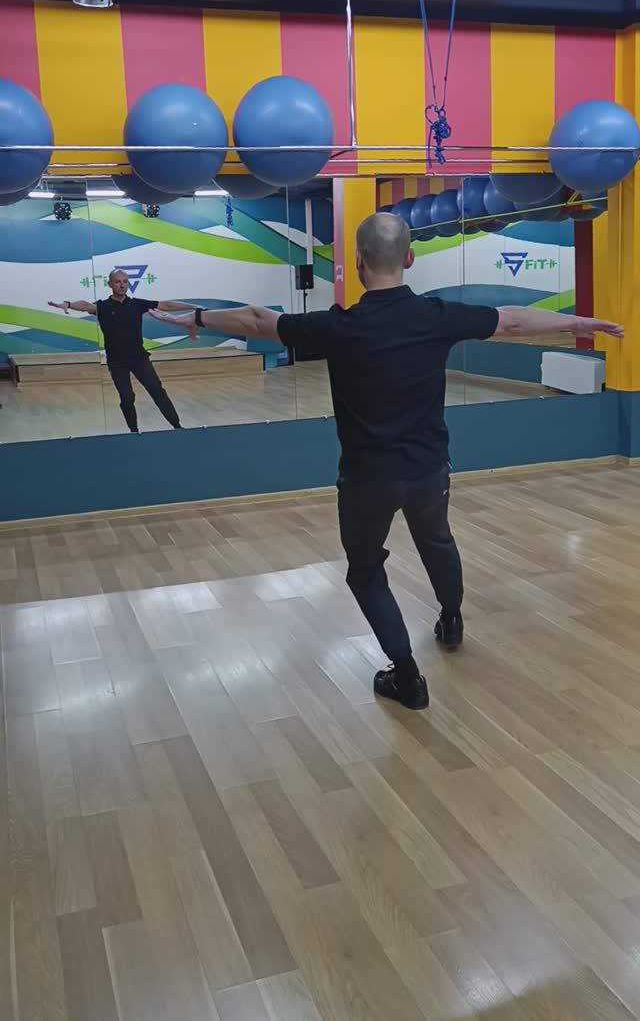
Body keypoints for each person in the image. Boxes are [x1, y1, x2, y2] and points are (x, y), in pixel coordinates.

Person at [150, 213, 624, 710]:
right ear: (410, 258)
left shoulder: (338, 326)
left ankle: (408, 676)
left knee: (365, 570)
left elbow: (255, 320)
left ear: (357, 262)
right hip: (428, 471)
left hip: (366, 481)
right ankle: (451, 619)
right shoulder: (436, 316)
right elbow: (513, 319)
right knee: (437, 540)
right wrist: (578, 323)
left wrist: (197, 317)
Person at [48, 268, 198, 434]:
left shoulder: (137, 304)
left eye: (125, 282)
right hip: (117, 362)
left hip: (139, 359)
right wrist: (68, 304)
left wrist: (193, 307)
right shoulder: (102, 306)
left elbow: (167, 305)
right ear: (110, 284)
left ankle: (177, 426)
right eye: (118, 282)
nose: (122, 285)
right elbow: (84, 306)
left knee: (157, 391)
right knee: (127, 397)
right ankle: (133, 431)